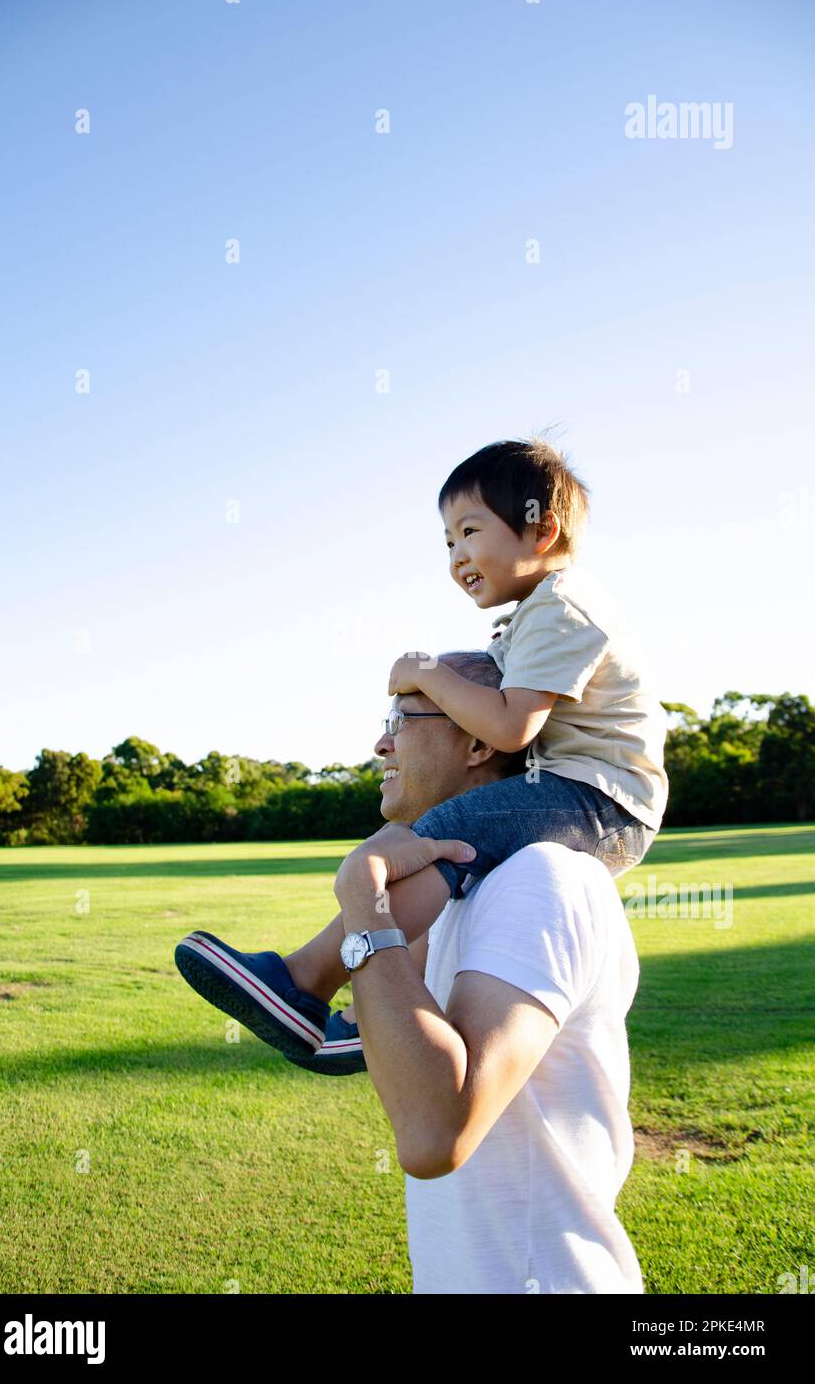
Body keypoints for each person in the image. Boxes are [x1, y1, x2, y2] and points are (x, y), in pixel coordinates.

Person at [174, 438, 667, 1061]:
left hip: (600, 798)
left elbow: (510, 729)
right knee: (443, 859)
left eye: (469, 530)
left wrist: (428, 673)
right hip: (577, 790)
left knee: (445, 833)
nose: (457, 554)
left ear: (541, 528)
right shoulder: (533, 615)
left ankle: (307, 980)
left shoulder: (563, 606)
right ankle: (360, 1016)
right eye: (448, 542)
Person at [179, 654, 647, 1293]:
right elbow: (411, 1049)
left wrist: (365, 904)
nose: (380, 742)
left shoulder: (543, 876)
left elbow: (433, 1136)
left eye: (402, 719)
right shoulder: (465, 889)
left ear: (481, 741)